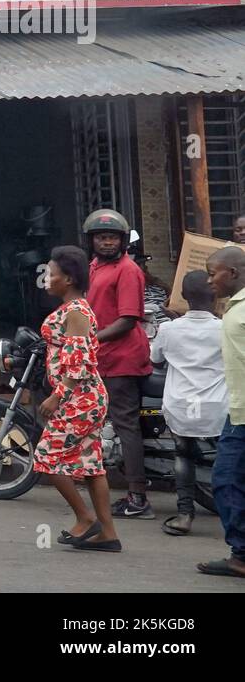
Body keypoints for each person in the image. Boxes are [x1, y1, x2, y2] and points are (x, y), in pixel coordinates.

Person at [32, 245, 122, 552]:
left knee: (47, 458)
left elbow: (80, 361)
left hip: (79, 398)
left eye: (51, 274)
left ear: (68, 279)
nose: (47, 279)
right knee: (91, 464)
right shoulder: (74, 309)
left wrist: (58, 396)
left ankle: (85, 519)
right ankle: (107, 533)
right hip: (83, 397)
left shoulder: (77, 312)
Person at [82, 209, 153, 519]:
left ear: (123, 241)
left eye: (112, 237)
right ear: (91, 241)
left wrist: (92, 339)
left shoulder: (128, 270)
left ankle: (138, 496)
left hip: (122, 358)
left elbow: (127, 320)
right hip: (102, 356)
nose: (107, 242)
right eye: (101, 237)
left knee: (126, 424)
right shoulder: (95, 266)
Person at [151, 270, 227, 536]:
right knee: (223, 458)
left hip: (181, 406)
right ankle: (229, 511)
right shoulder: (226, 328)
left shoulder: (168, 329)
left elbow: (155, 359)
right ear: (216, 296)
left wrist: (173, 325)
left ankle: (184, 515)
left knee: (183, 455)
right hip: (216, 408)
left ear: (182, 296)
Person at [200, 246, 245, 578]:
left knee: (226, 479)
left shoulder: (241, 312)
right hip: (237, 410)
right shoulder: (234, 310)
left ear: (233, 273)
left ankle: (241, 554)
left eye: (213, 272)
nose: (209, 279)